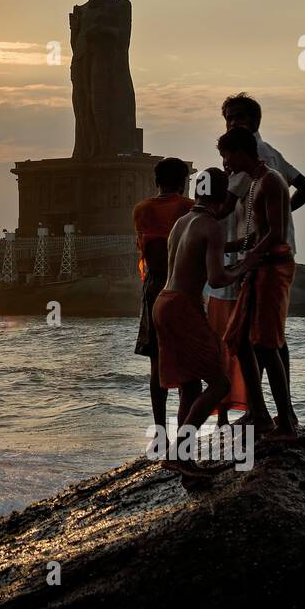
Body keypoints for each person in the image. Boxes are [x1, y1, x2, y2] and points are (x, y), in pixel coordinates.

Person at [152, 168, 257, 476]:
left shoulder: (182, 222)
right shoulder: (211, 225)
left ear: (197, 191)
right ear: (223, 196)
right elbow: (216, 277)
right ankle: (179, 453)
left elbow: (191, 250)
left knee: (189, 385)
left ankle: (181, 458)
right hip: (183, 306)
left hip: (163, 302)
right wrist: (244, 264)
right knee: (220, 382)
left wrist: (231, 248)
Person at [220, 93, 305, 395]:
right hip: (268, 248)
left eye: (239, 117)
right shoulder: (269, 152)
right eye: (229, 118)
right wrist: (279, 214)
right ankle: (269, 409)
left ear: (254, 120)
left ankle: (269, 411)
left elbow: (224, 207)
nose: (234, 122)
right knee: (270, 336)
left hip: (263, 255)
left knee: (256, 337)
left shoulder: (253, 154)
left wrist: (191, 221)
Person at [217, 127, 298, 441]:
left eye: (226, 156)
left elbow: (276, 233)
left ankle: (287, 423)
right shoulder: (252, 185)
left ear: (239, 152)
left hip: (273, 268)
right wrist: (227, 248)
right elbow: (257, 232)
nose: (225, 164)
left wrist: (250, 259)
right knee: (239, 340)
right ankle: (260, 415)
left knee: (267, 345)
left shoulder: (272, 181)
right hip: (258, 267)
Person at [132, 157, 194, 428]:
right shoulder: (189, 208)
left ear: (156, 181)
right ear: (184, 182)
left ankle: (159, 431)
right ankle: (184, 433)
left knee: (157, 362)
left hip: (153, 285)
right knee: (185, 362)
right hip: (182, 284)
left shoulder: (141, 209)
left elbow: (145, 248)